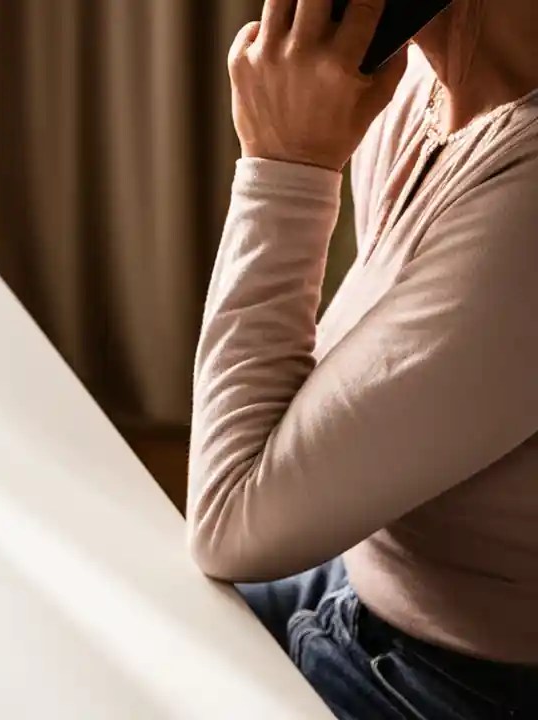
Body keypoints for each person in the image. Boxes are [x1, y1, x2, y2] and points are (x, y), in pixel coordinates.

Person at [188, 0, 538, 717]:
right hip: (353, 575)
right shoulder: (423, 85)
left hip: (447, 685)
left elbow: (229, 524)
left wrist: (283, 166)